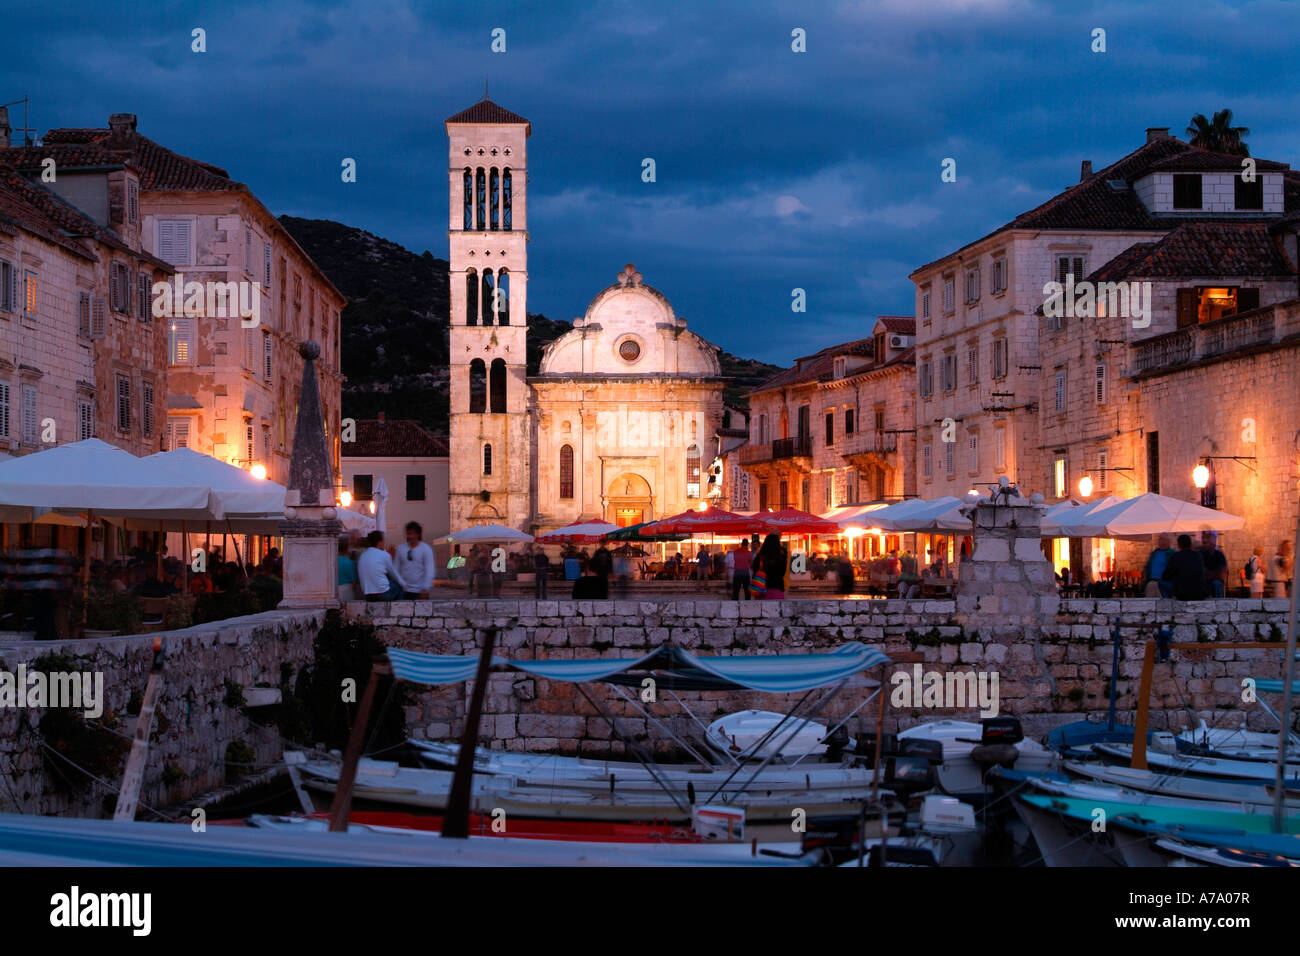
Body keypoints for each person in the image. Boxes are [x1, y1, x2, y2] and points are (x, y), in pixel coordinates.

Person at [395, 521, 436, 599]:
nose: (409, 536)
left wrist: (425, 588)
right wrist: (400, 584)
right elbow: (396, 568)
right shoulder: (401, 549)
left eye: (411, 533)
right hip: (404, 590)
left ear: (418, 534)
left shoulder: (426, 549)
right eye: (408, 533)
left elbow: (429, 570)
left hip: (420, 591)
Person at [358, 531, 402, 601]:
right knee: (398, 586)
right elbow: (394, 574)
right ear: (380, 541)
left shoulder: (363, 555)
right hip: (382, 594)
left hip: (368, 595)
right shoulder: (384, 555)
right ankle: (399, 609)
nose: (385, 542)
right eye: (384, 540)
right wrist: (404, 585)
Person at [1162, 534, 1207, 601]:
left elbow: (1166, 576)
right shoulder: (1198, 556)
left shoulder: (1176, 556)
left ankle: (1168, 604)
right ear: (1190, 544)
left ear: (1179, 545)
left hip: (1182, 595)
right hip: (1200, 594)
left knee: (1161, 583)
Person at [754, 533, 788, 600]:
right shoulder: (781, 558)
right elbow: (782, 573)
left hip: (761, 589)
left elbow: (755, 570)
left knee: (762, 610)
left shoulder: (760, 557)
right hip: (777, 588)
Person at [1142, 534, 1176, 598]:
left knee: (1164, 604)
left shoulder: (1172, 554)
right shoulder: (1154, 553)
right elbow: (1148, 567)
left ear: (1168, 541)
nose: (1160, 541)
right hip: (1151, 582)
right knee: (1149, 604)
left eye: (1162, 539)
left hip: (1164, 584)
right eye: (1160, 539)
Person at [1198, 531, 1228, 599]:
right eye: (1203, 543)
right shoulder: (1199, 554)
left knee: (1216, 584)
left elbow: (1222, 574)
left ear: (1213, 544)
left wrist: (1208, 574)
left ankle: (1219, 605)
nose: (1203, 545)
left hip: (1214, 582)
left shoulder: (1219, 555)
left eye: (1205, 543)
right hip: (1203, 581)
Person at [337, 537, 358, 603]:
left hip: (334, 590)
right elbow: (353, 582)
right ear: (346, 548)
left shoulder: (331, 561)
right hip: (347, 590)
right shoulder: (349, 562)